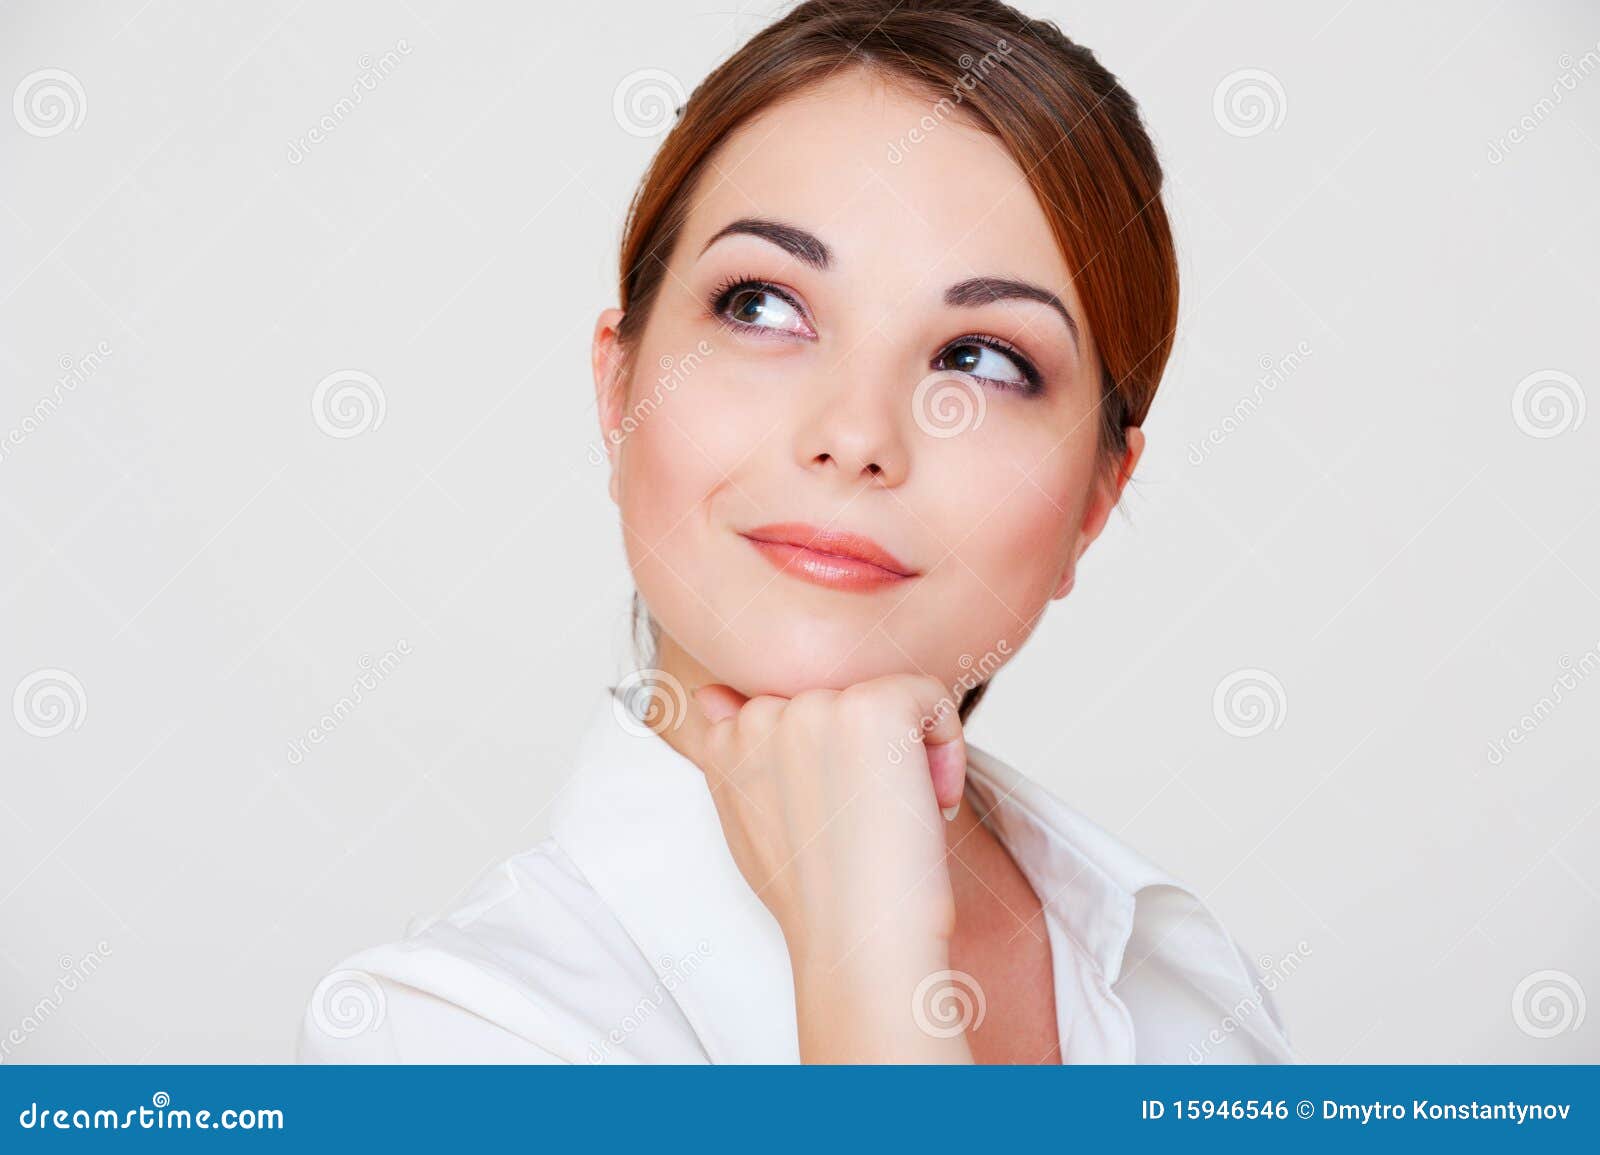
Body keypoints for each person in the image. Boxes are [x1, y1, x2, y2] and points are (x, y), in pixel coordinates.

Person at [298, 0, 1295, 1065]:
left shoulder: (1179, 981)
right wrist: (868, 967)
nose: (854, 435)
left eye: (982, 361)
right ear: (618, 382)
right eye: (763, 305)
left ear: (1098, 497)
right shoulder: (439, 1039)